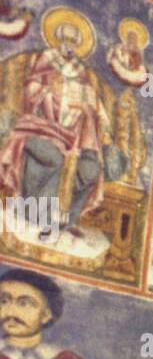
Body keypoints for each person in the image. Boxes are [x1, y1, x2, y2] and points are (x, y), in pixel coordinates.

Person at [0, 13, 109, 232]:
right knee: (55, 158)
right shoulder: (47, 59)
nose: (70, 45)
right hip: (36, 129)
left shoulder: (81, 72)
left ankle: (68, 219)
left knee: (91, 168)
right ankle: (36, 214)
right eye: (66, 40)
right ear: (59, 39)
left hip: (72, 138)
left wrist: (88, 111)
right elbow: (30, 92)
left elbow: (93, 106)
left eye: (74, 42)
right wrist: (50, 91)